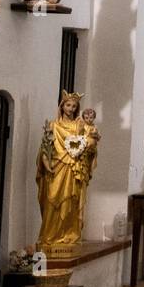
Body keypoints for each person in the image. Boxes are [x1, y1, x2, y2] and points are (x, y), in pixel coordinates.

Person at [36, 91, 99, 252]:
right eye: (68, 105)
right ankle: (48, 238)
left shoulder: (79, 125)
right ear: (62, 106)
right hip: (56, 169)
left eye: (74, 106)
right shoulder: (53, 125)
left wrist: (88, 144)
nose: (70, 109)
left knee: (70, 203)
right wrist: (45, 161)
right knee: (52, 199)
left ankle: (68, 236)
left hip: (73, 170)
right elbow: (45, 147)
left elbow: (91, 141)